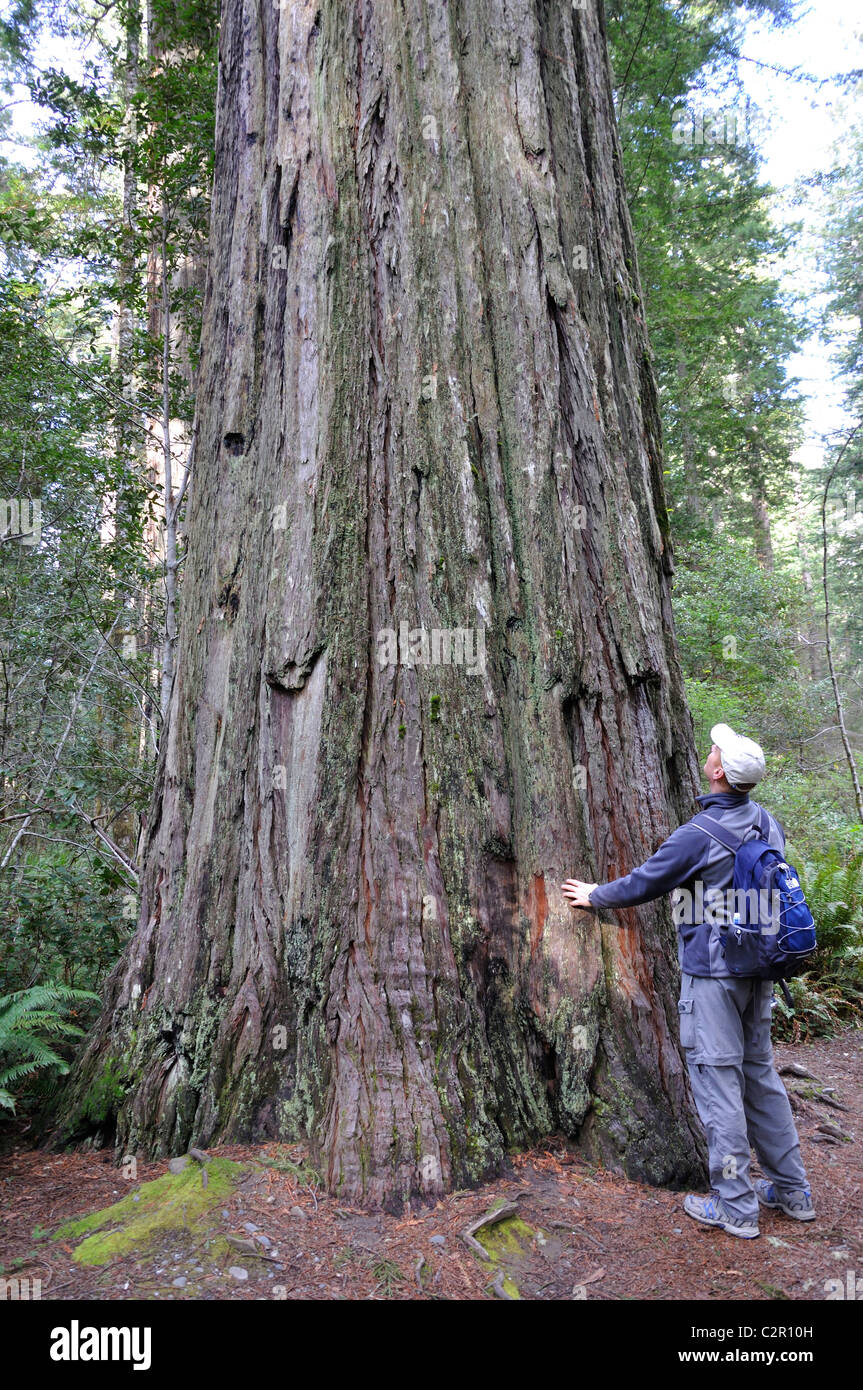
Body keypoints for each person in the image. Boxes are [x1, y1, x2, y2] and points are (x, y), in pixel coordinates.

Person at [561, 723, 815, 1239]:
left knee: (719, 1085)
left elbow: (647, 880)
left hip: (713, 976)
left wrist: (597, 895)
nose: (711, 749)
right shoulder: (769, 823)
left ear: (719, 772)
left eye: (716, 749)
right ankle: (793, 1192)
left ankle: (736, 1207)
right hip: (760, 969)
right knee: (760, 1079)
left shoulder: (698, 834)